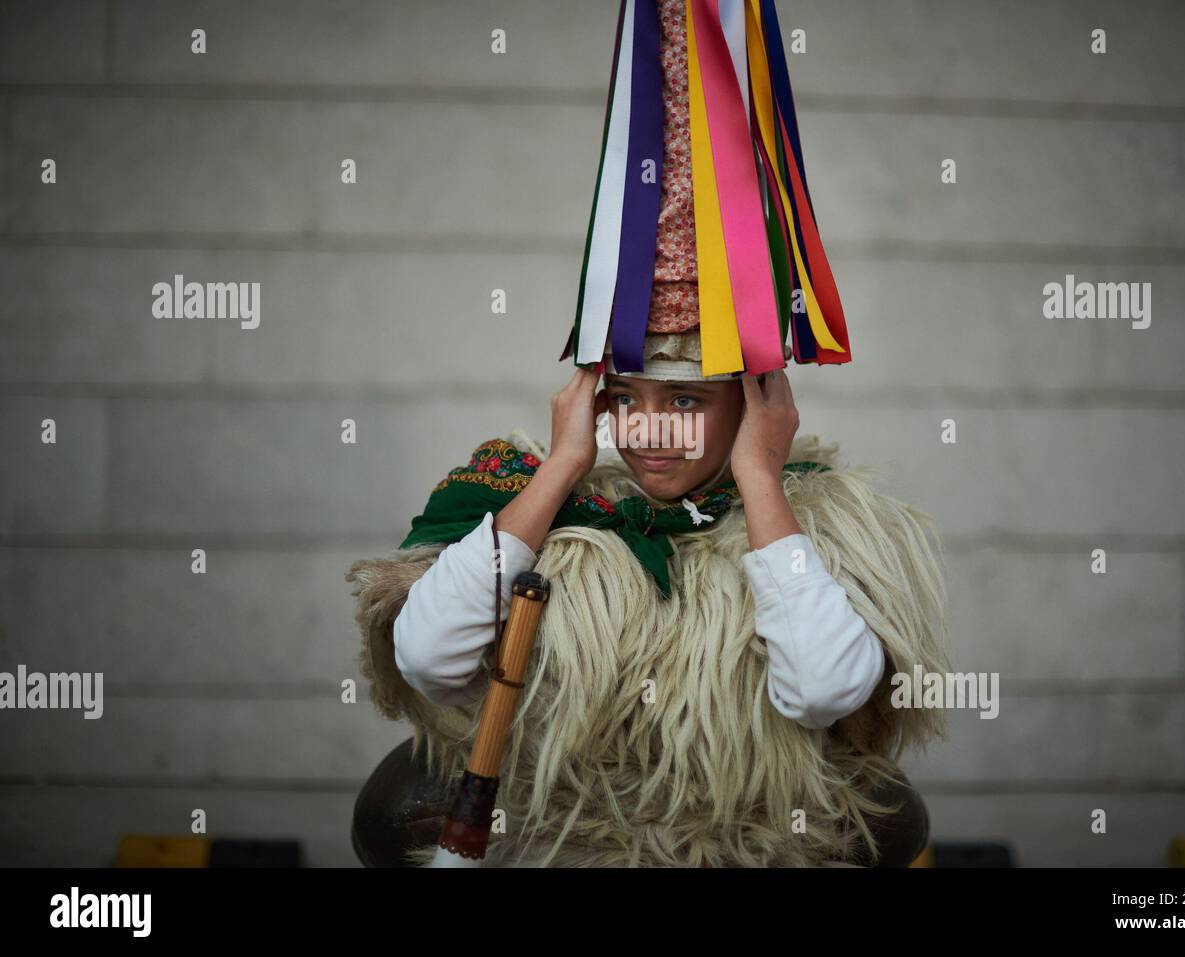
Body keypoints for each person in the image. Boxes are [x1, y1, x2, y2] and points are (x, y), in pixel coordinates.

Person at [345, 0, 950, 867]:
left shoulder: (820, 524)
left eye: (691, 403)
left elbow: (822, 688)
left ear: (755, 405)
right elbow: (429, 655)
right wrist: (560, 467)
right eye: (626, 397)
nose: (652, 430)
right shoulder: (546, 506)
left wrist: (763, 481)